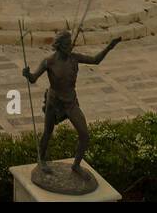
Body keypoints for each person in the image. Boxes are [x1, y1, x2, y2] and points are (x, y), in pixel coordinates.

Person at [23, 31, 120, 173]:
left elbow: (95, 60)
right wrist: (27, 74)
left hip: (70, 102)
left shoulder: (74, 58)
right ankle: (41, 160)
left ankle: (76, 165)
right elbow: (33, 78)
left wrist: (109, 47)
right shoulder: (48, 62)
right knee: (47, 132)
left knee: (84, 135)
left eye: (71, 44)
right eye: (68, 45)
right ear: (60, 46)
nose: (71, 47)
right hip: (54, 103)